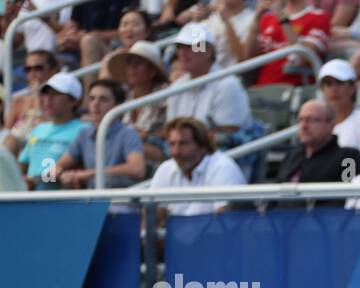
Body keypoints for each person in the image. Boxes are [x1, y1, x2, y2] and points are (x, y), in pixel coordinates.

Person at [55, 78, 146, 188]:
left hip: (120, 201)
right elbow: (57, 166)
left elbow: (137, 169)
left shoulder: (128, 134)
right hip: (90, 200)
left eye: (103, 99)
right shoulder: (84, 134)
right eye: (91, 99)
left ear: (117, 105)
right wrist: (63, 175)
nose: (95, 104)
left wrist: (90, 174)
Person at [149, 116, 247, 217]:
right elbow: (151, 220)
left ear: (203, 146)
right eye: (172, 144)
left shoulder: (223, 168)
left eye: (183, 143)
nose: (176, 152)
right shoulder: (165, 169)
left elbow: (224, 223)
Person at [166, 24, 254, 135]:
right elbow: (171, 131)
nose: (183, 52)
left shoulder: (227, 85)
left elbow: (227, 135)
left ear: (208, 51)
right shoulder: (177, 86)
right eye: (179, 47)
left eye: (191, 46)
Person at [106, 40, 170, 168]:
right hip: (129, 148)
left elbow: (172, 127)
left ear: (152, 72)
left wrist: (146, 134)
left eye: (138, 65)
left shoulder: (165, 94)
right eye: (129, 64)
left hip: (157, 148)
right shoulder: (126, 96)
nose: (131, 69)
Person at [18, 72, 87, 191]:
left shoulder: (85, 129)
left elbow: (83, 168)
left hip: (61, 195)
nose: (47, 99)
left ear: (74, 101)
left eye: (55, 94)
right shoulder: (38, 129)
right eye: (45, 94)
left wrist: (34, 181)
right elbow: (22, 165)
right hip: (30, 194)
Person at [277, 99, 360, 182]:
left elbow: (348, 195)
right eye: (301, 120)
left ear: (331, 125)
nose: (304, 126)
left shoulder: (348, 158)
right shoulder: (292, 156)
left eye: (311, 120)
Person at [3, 49, 57, 157]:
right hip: (16, 150)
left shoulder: (59, 98)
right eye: (28, 69)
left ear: (52, 70)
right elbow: (6, 132)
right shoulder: (19, 101)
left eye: (38, 68)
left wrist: (38, 97)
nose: (32, 73)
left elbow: (45, 127)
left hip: (43, 148)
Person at [318, 59, 360, 150]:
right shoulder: (315, 122)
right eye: (328, 84)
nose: (334, 89)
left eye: (340, 82)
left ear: (353, 88)